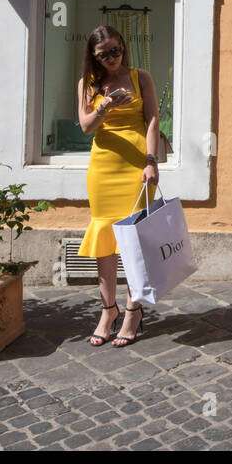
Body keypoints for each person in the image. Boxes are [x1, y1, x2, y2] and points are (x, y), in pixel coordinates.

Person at [76, 25, 160, 347]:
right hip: (103, 167)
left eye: (115, 51)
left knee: (134, 242)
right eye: (103, 55)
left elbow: (152, 119)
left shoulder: (142, 77)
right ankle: (107, 311)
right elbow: (85, 126)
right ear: (94, 57)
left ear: (123, 46)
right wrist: (105, 106)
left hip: (137, 166)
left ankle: (133, 309)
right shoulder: (89, 83)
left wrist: (151, 162)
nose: (111, 58)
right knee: (106, 239)